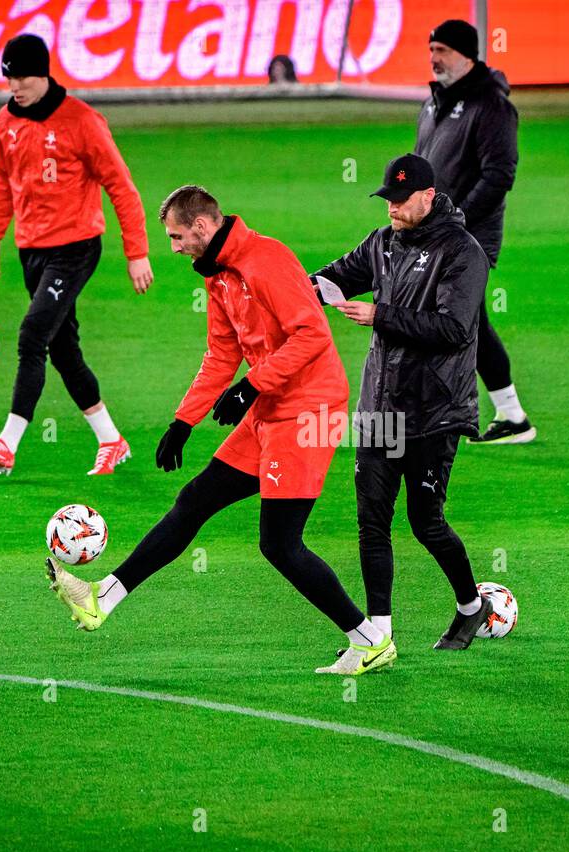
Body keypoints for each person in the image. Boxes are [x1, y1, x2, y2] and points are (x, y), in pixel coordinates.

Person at [47, 185, 397, 676]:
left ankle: (370, 640)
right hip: (270, 408)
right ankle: (101, 597)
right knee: (195, 500)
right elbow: (221, 354)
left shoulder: (267, 260)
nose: (172, 247)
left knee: (280, 544)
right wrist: (183, 420)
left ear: (203, 227)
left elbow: (312, 336)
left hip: (308, 412)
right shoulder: (220, 277)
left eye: (176, 236)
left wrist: (251, 387)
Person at [312, 154, 493, 651]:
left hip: (435, 410)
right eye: (387, 198)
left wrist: (380, 315)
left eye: (400, 198)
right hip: (380, 409)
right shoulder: (381, 244)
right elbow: (331, 279)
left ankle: (472, 607)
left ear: (429, 196)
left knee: (425, 522)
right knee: (371, 521)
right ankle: (378, 636)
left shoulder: (463, 252)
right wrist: (293, 289)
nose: (391, 207)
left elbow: (455, 329)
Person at [0, 34, 154, 477]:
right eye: (8, 77)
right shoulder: (5, 123)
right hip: (30, 250)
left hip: (74, 248)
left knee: (33, 334)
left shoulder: (82, 121)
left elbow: (121, 186)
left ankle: (7, 443)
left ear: (44, 73)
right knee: (63, 349)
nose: (14, 86)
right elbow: (1, 180)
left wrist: (137, 252)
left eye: (22, 77)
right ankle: (111, 440)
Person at [414, 19, 533, 445]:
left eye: (442, 50)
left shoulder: (492, 106)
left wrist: (457, 220)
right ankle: (509, 415)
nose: (434, 58)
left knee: (460, 321)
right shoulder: (433, 103)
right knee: (464, 322)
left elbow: (499, 174)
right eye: (431, 49)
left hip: (469, 236)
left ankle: (503, 415)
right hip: (432, 232)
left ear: (468, 54)